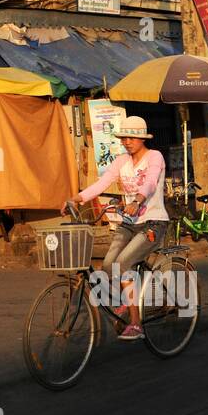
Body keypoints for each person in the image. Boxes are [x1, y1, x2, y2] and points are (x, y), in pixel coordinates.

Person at [63, 116, 167, 341]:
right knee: (109, 265)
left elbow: (150, 182)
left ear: (142, 139)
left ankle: (136, 324)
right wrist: (77, 198)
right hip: (130, 223)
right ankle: (127, 303)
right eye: (124, 138)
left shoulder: (154, 157)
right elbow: (103, 183)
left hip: (153, 222)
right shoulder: (121, 161)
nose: (127, 141)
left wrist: (137, 200)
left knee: (123, 263)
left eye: (132, 137)